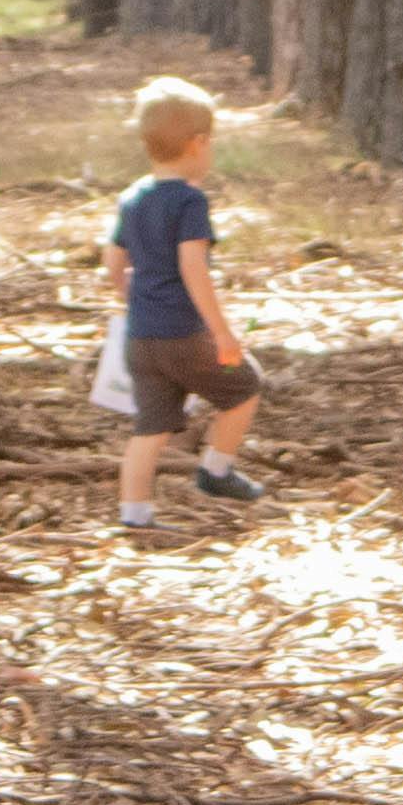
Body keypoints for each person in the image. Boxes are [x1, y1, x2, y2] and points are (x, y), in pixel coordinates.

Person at [98, 75, 266, 534]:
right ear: (197, 144)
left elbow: (113, 261)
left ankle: (134, 514)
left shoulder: (133, 198)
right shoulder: (189, 201)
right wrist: (222, 332)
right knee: (245, 388)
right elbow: (194, 268)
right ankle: (216, 470)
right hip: (185, 334)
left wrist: (131, 297)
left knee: (150, 428)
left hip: (142, 337)